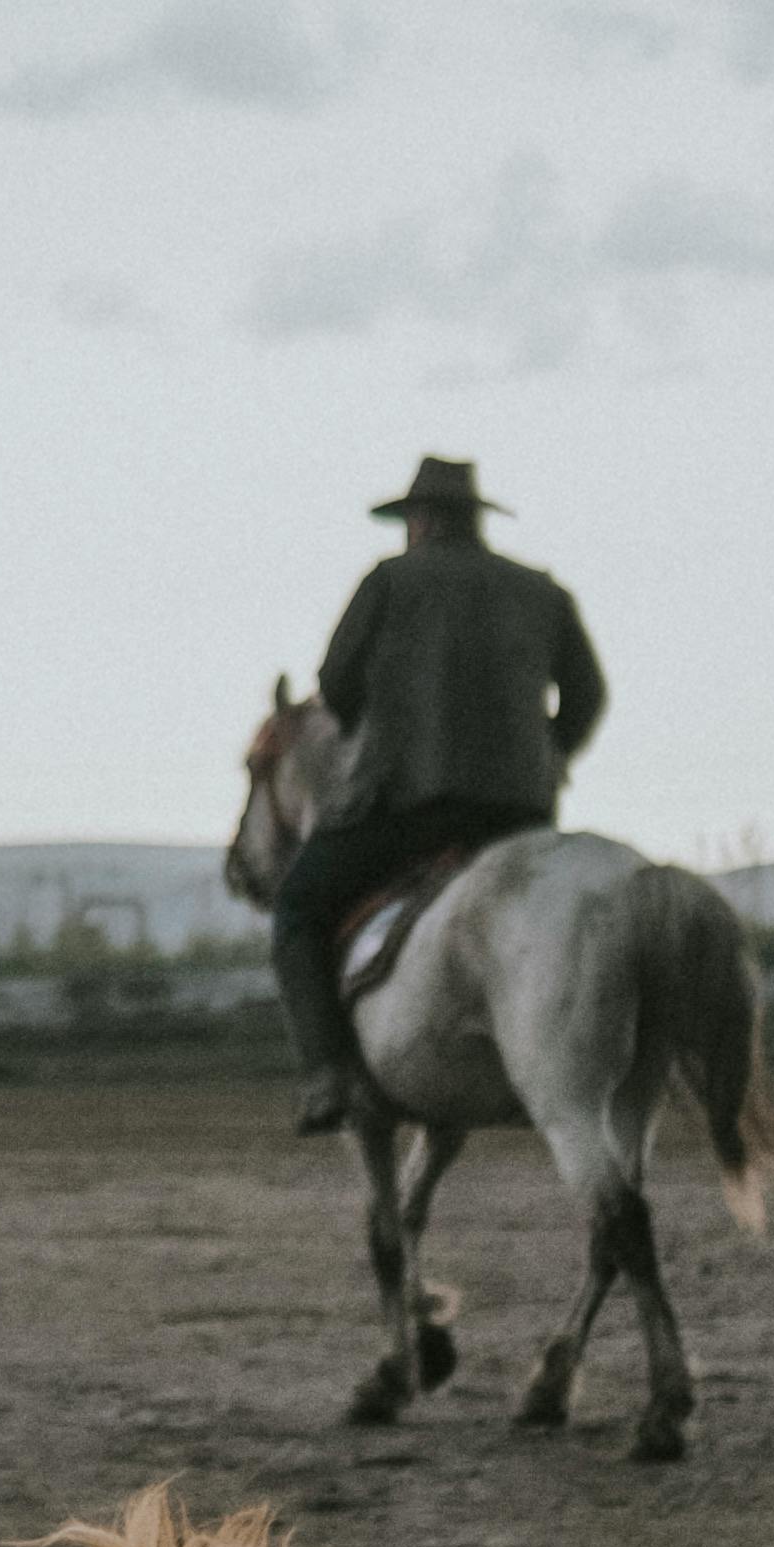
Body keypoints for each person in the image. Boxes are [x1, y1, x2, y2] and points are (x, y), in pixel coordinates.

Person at [267, 454, 610, 1135]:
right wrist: (548, 754)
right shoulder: (541, 591)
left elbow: (336, 686)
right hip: (520, 816)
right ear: (474, 521)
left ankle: (330, 1075)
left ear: (419, 523)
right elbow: (589, 694)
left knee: (298, 910)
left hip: (407, 808)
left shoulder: (390, 583)